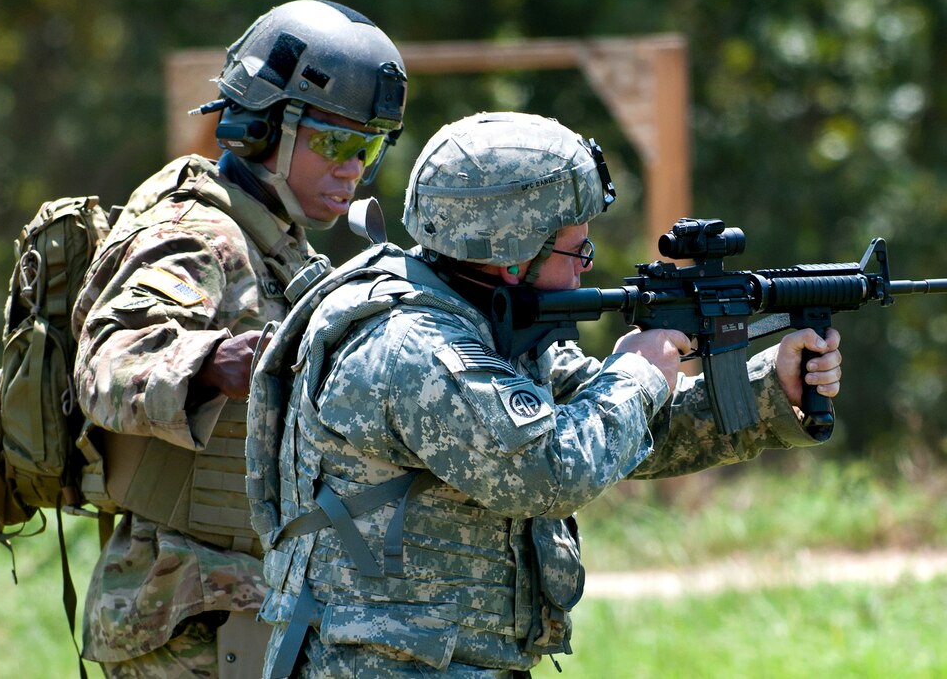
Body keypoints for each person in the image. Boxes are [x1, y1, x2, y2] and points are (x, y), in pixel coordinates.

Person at [250, 111, 843, 678]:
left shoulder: (485, 324)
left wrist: (770, 389)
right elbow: (547, 469)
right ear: (513, 256)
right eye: (577, 250)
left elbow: (607, 428)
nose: (585, 268)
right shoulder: (413, 346)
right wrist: (637, 375)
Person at [70, 0, 407, 677]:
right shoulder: (197, 234)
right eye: (335, 143)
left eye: (367, 149)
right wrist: (210, 361)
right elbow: (106, 364)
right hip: (184, 620)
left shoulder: (279, 246)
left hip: (245, 607)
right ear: (263, 129)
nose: (351, 169)